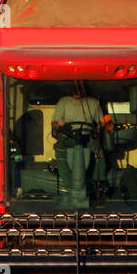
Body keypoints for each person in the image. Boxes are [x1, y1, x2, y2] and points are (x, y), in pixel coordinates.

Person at [50, 83, 111, 211]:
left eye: (80, 86)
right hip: (68, 136)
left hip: (88, 135)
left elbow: (101, 121)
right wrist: (59, 126)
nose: (77, 90)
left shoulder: (93, 103)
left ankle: (97, 185)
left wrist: (107, 124)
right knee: (60, 150)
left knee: (98, 151)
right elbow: (55, 123)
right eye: (74, 86)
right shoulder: (64, 102)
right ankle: (68, 185)